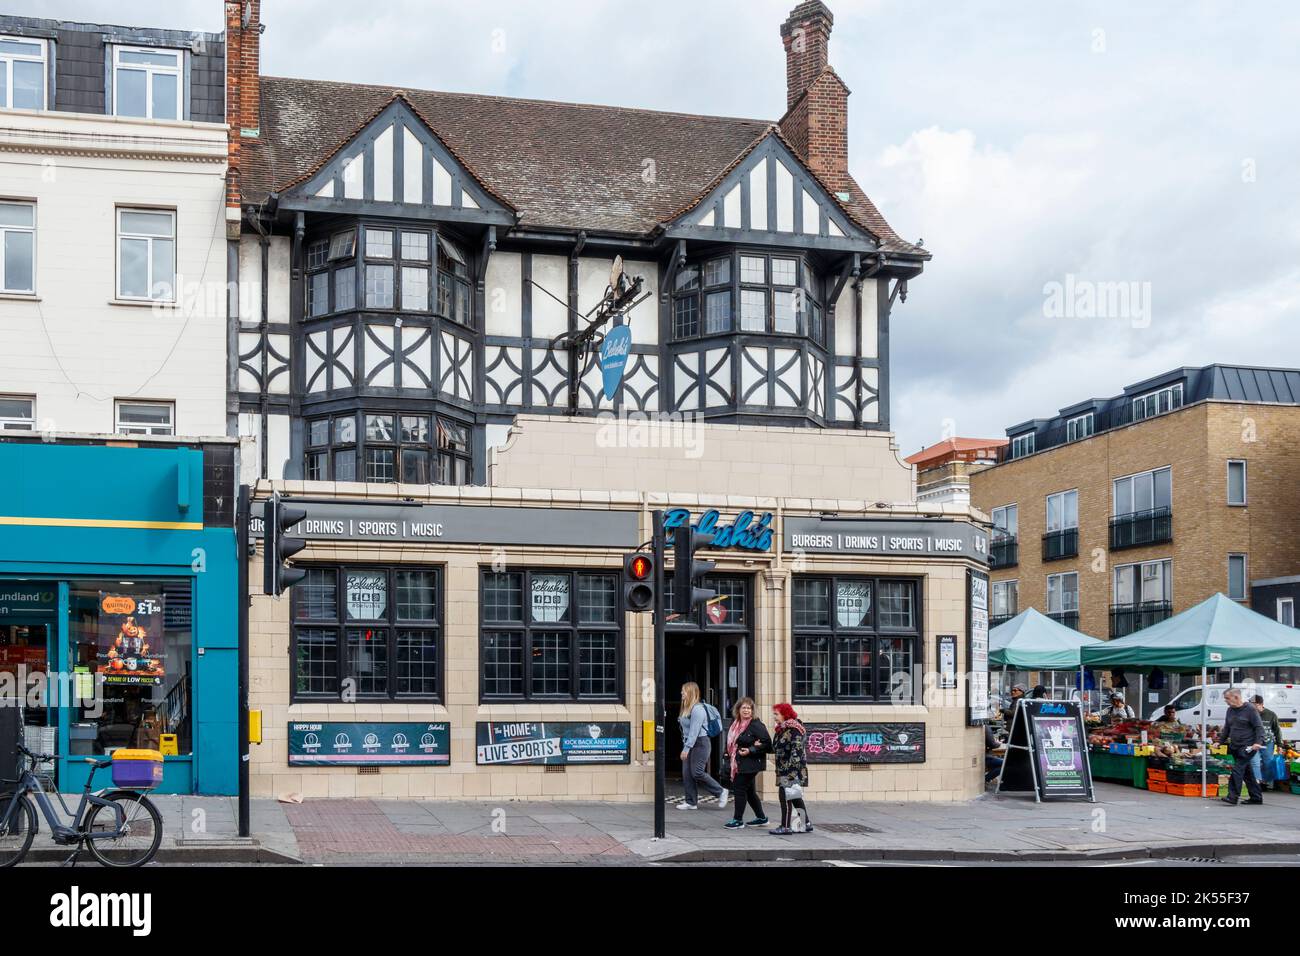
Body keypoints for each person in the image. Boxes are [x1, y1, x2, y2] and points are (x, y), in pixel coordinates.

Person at [676, 681, 728, 811]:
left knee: (697, 772)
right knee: (687, 773)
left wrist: (686, 749)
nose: (681, 693)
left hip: (700, 743)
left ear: (690, 693)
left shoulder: (698, 709)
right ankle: (691, 802)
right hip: (690, 742)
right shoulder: (686, 708)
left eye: (684, 691)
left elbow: (694, 731)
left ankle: (721, 791)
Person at [722, 697, 771, 830]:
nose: (746, 710)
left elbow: (768, 744)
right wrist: (726, 753)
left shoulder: (756, 724)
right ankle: (761, 818)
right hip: (738, 761)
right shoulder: (735, 722)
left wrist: (751, 749)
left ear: (752, 710)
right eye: (743, 707)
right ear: (738, 709)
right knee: (749, 791)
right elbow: (732, 741)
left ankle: (737, 820)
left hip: (751, 763)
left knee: (739, 788)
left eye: (749, 708)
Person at [769, 702, 812, 835]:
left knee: (785, 797)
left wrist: (789, 773)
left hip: (791, 771)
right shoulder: (782, 729)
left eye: (776, 714)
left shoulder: (794, 730)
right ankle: (806, 823)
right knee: (795, 797)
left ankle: (785, 826)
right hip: (784, 769)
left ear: (785, 714)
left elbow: (797, 752)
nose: (774, 717)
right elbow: (776, 748)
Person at [1220, 688, 1265, 805]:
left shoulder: (1250, 709)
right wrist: (1219, 741)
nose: (1225, 701)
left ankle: (1233, 796)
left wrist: (1258, 742)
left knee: (1237, 769)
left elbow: (1259, 727)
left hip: (1248, 747)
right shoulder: (1230, 710)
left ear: (1236, 697)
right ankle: (1256, 797)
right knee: (1247, 773)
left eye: (1227, 698)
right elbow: (1227, 728)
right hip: (1235, 746)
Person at [1252, 695, 1285, 789]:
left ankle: (1265, 782)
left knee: (1268, 762)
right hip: (1254, 743)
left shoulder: (1271, 714)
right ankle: (1257, 783)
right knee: (1255, 762)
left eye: (1254, 704)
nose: (1252, 707)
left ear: (1261, 704)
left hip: (1268, 743)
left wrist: (1279, 745)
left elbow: (1277, 730)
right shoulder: (1251, 714)